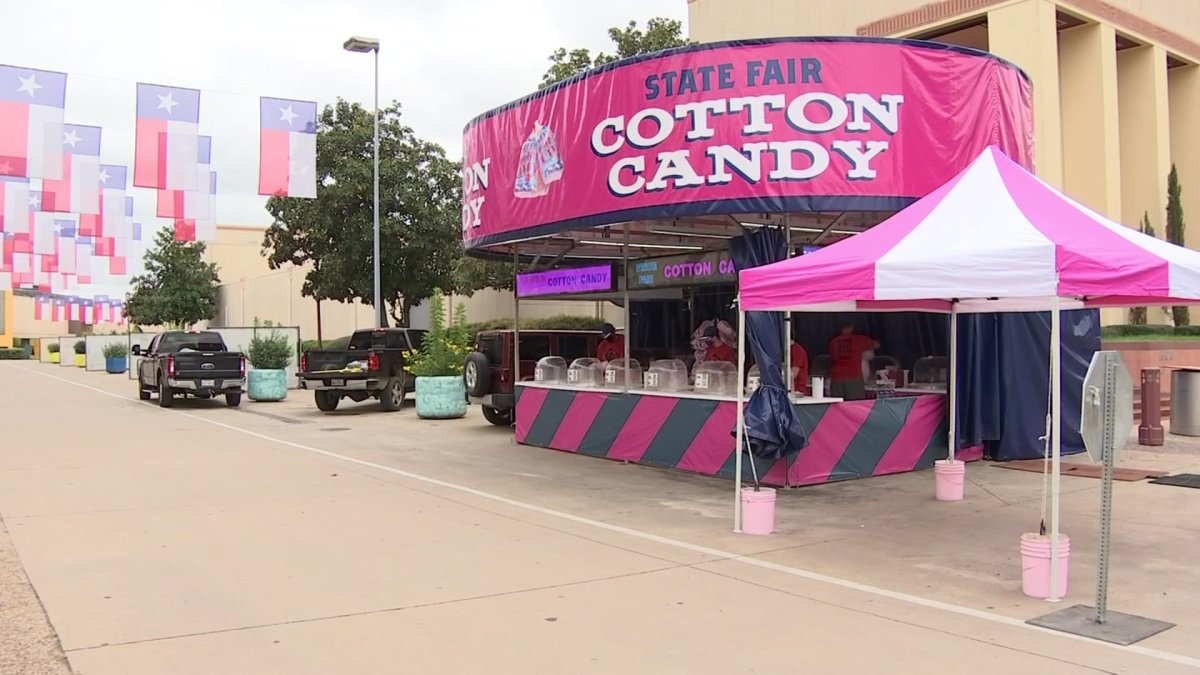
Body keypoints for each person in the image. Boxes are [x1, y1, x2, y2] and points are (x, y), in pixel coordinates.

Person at [828, 324, 879, 400]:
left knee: (836, 406)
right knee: (856, 406)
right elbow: (876, 345)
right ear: (851, 328)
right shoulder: (858, 339)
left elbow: (832, 357)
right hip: (853, 377)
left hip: (836, 378)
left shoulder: (833, 342)